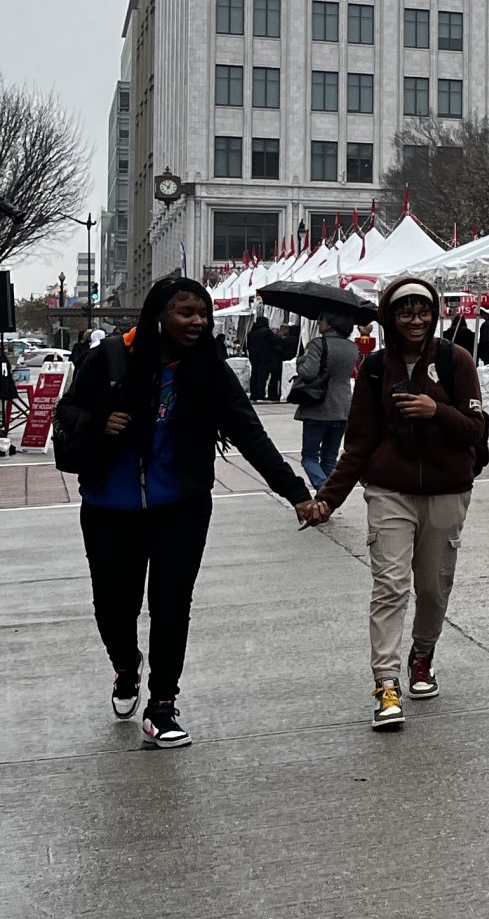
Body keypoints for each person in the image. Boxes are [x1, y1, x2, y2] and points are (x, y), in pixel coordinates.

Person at [52, 275, 311, 750]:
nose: (197, 322)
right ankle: (126, 667)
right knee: (114, 608)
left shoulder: (210, 370)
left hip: (182, 508)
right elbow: (67, 411)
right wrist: (97, 423)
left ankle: (163, 705)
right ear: (158, 315)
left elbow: (250, 435)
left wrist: (296, 493)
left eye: (202, 314)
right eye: (185, 312)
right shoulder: (111, 358)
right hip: (111, 507)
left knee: (172, 605)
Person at [298, 276, 489, 730]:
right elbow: (359, 443)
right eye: (405, 311)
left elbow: (477, 430)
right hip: (389, 491)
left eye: (422, 310)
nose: (415, 319)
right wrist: (327, 499)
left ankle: (421, 656)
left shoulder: (455, 359)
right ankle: (386, 684)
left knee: (433, 587)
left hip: (446, 490)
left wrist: (436, 410)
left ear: (434, 312)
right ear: (389, 316)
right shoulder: (375, 368)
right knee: (389, 586)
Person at [290, 313, 361, 491]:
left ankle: (323, 488)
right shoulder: (352, 347)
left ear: (330, 324)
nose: (319, 322)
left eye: (321, 319)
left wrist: (300, 360)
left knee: (309, 457)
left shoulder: (317, 344)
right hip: (343, 405)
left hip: (318, 405)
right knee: (330, 457)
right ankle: (328, 497)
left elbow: (308, 372)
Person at [243, 314, 284, 402]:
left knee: (254, 376)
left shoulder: (251, 333)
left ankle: (254, 394)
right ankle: (260, 394)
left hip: (254, 358)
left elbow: (248, 346)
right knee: (262, 377)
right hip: (265, 358)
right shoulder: (266, 332)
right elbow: (276, 341)